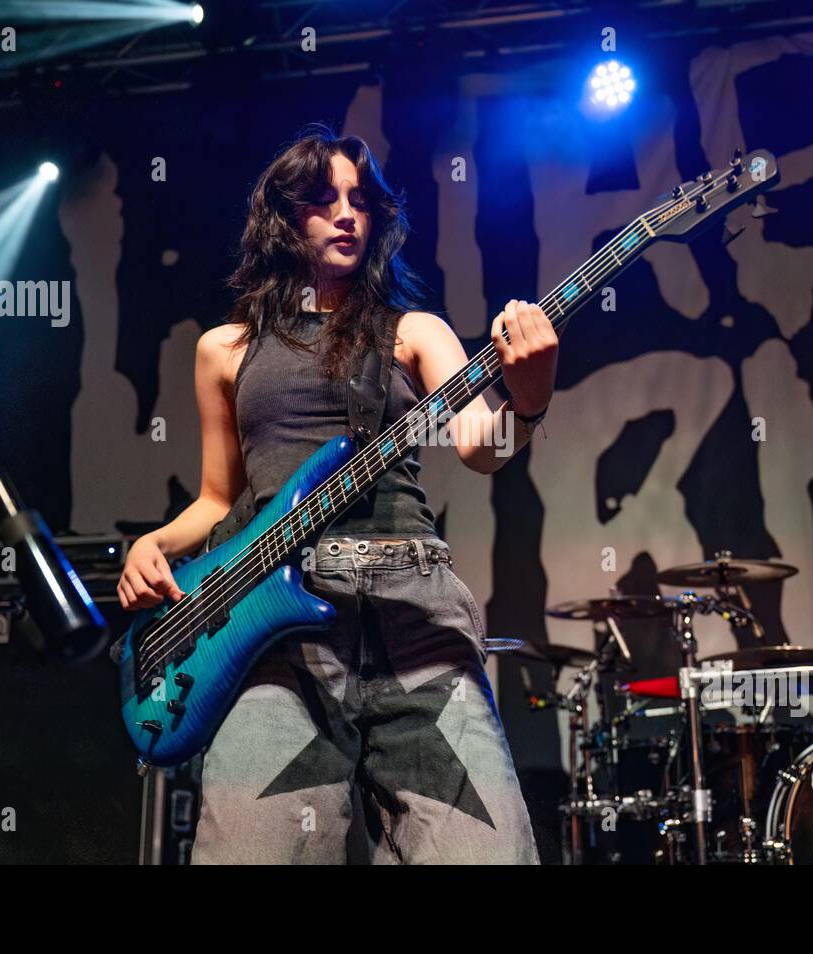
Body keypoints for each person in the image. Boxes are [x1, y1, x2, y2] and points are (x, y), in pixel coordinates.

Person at [117, 125, 551, 863]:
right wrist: (152, 544)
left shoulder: (414, 331)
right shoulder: (223, 348)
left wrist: (531, 394)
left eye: (360, 200)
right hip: (270, 629)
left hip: (413, 621)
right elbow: (219, 500)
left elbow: (482, 447)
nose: (347, 213)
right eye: (323, 200)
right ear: (284, 220)